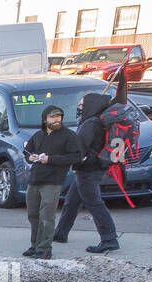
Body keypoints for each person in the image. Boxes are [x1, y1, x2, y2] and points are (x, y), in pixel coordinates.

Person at [53, 93, 120, 254]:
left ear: (90, 105)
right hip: (94, 167)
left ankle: (109, 238)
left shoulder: (90, 124)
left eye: (82, 105)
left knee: (94, 203)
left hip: (88, 169)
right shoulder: (99, 121)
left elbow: (79, 148)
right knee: (72, 201)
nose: (79, 108)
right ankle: (61, 233)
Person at [21, 105, 81, 259]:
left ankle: (44, 249)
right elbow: (27, 151)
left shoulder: (68, 135)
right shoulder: (38, 135)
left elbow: (76, 156)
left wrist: (51, 159)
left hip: (53, 181)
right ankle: (34, 245)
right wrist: (31, 157)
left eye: (59, 116)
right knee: (33, 214)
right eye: (53, 117)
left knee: (47, 215)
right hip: (35, 179)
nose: (57, 120)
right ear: (45, 119)